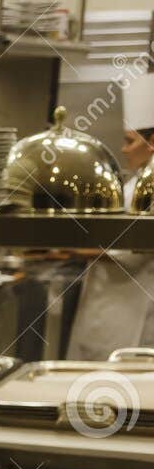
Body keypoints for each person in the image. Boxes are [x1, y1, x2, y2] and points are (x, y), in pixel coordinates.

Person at [68, 75, 154, 359]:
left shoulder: (149, 185)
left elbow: (133, 250)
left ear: (152, 142)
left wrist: (69, 249)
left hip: (128, 308)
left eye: (129, 141)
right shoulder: (137, 181)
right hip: (111, 302)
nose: (123, 149)